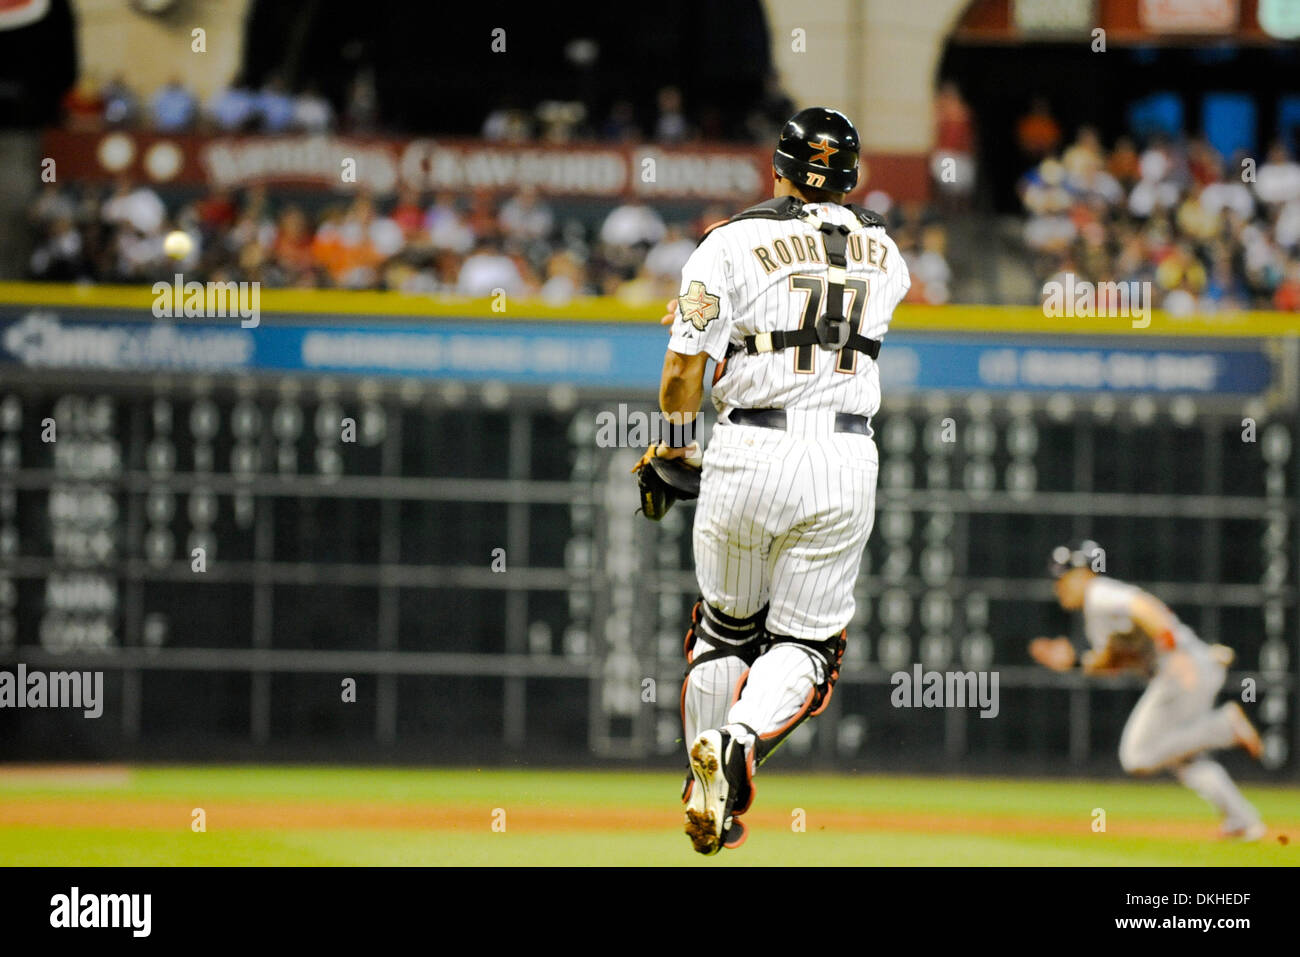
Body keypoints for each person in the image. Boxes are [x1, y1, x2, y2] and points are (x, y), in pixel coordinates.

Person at [636, 107, 910, 855]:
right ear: (853, 178)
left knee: (725, 630)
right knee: (806, 645)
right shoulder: (889, 254)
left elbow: (683, 366)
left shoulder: (724, 243)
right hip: (844, 455)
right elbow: (821, 312)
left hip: (746, 448)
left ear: (776, 167)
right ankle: (737, 743)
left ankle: (706, 786)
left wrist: (673, 448)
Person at [1030, 541, 1266, 841]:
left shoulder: (1099, 593)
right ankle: (1241, 820)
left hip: (1182, 668)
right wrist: (1075, 662)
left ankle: (1223, 727)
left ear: (1082, 574)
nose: (1058, 587)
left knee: (1137, 755)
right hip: (1189, 666)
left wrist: (1176, 653)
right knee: (1184, 758)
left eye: (1062, 578)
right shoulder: (1095, 612)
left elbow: (1146, 607)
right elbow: (1118, 660)